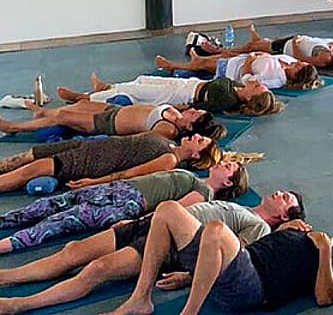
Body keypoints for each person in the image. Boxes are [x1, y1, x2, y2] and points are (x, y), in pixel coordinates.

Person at [0, 191, 304, 315]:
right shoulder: (239, 204)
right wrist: (138, 220)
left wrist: (187, 276)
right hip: (149, 225)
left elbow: (228, 259)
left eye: (286, 198)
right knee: (73, 250)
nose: (280, 193)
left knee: (97, 269)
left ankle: (18, 305)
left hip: (172, 243)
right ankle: (5, 277)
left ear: (284, 216)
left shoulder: (259, 228)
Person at [104, 203, 333, 315]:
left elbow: (326, 297)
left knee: (216, 230)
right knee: (167, 211)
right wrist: (288, 232)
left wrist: (325, 250)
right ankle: (140, 299)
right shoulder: (313, 235)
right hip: (235, 264)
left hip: (254, 284)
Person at [0, 163, 248, 254]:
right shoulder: (193, 176)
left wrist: (133, 224)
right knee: (50, 203)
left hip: (128, 202)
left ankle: (7, 245)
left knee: (61, 221)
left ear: (228, 182)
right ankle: (5, 220)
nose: (224, 163)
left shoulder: (204, 194)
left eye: (229, 167)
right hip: (121, 188)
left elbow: (171, 211)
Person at [0, 133, 222, 194]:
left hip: (92, 162)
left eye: (200, 141)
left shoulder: (169, 159)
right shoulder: (169, 142)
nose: (196, 136)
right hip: (91, 146)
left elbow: (130, 174)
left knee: (29, 171)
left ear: (196, 156)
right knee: (26, 157)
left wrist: (93, 182)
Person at [56, 72, 282, 117]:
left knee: (134, 92)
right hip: (188, 84)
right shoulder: (238, 87)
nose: (257, 83)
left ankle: (83, 98)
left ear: (250, 98)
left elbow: (201, 106)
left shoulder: (228, 99)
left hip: (180, 95)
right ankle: (106, 87)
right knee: (142, 80)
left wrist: (174, 110)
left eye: (258, 87)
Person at [0, 100, 227, 141]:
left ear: (189, 126)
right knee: (79, 104)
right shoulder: (177, 115)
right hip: (115, 110)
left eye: (195, 114)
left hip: (108, 124)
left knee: (63, 117)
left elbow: (140, 141)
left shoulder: (168, 130)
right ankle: (42, 112)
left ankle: (13, 127)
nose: (193, 110)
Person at [190, 26, 333, 70]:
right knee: (255, 44)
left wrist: (296, 44)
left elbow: (303, 61)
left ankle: (215, 53)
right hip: (288, 42)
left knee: (248, 49)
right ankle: (255, 38)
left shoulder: (328, 58)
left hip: (285, 48)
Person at [154, 52, 322, 92]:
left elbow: (247, 82)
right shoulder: (289, 62)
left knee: (204, 65)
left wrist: (249, 61)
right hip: (239, 60)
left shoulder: (276, 80)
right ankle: (196, 60)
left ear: (296, 75)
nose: (296, 63)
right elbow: (271, 57)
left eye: (298, 67)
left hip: (232, 71)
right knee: (218, 57)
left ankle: (172, 66)